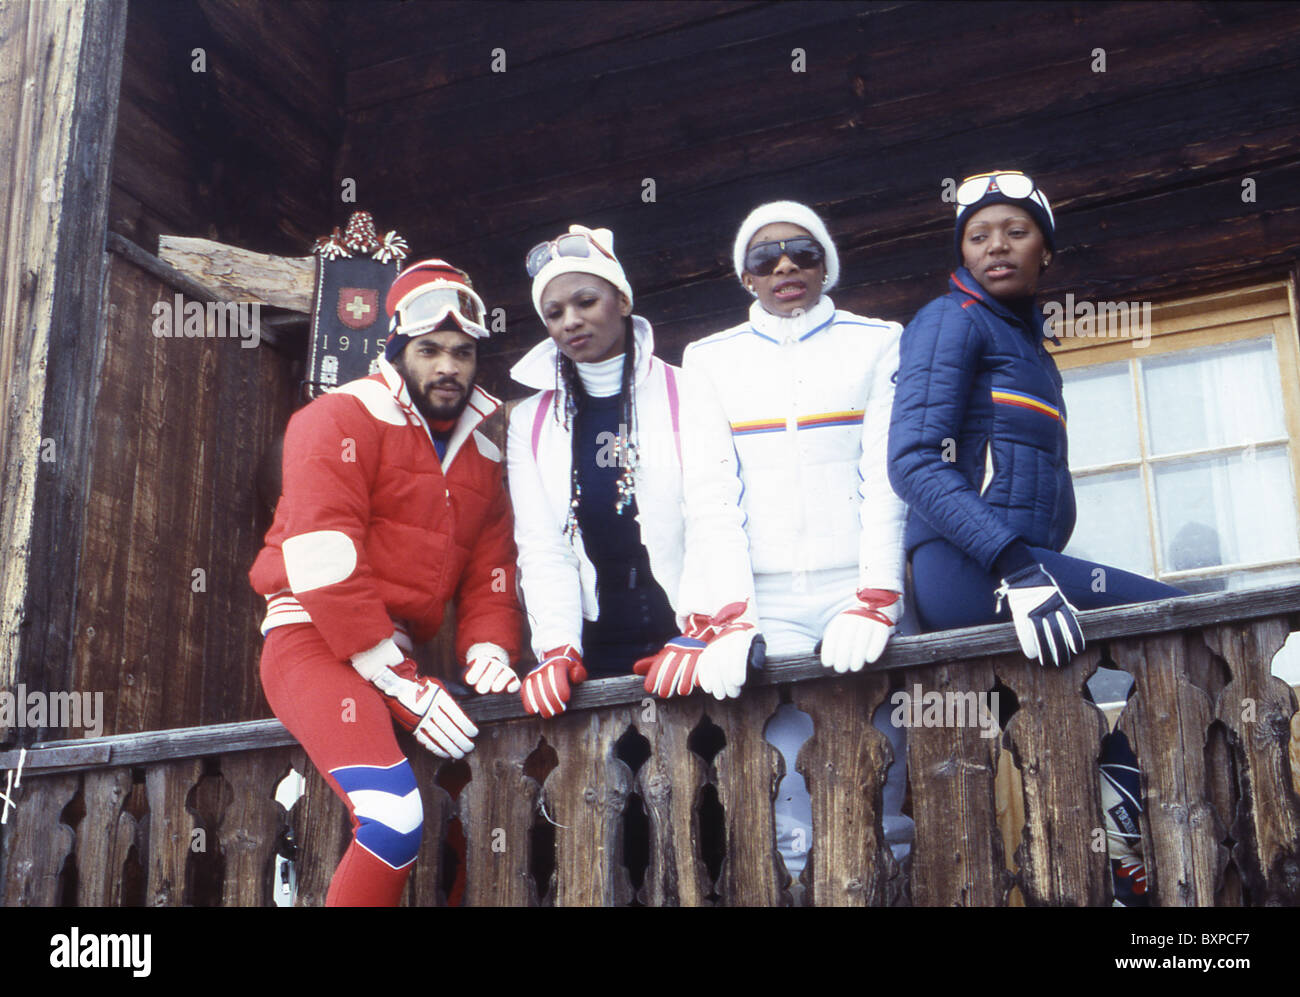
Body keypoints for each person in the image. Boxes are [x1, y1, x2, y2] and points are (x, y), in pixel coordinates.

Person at [887, 170, 1184, 905]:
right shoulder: (949, 319)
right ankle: (1124, 872)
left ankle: (1123, 873)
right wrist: (1017, 568)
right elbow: (914, 460)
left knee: (1108, 694)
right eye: (978, 235)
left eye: (1016, 231)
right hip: (972, 570)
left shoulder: (1030, 347)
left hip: (1021, 570)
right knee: (1173, 616)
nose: (997, 246)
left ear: (1045, 250)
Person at [249, 258, 523, 906]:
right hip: (311, 637)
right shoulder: (338, 417)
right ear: (398, 349)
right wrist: (401, 683)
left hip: (397, 656)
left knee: (465, 817)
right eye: (430, 350)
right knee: (394, 818)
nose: (448, 366)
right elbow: (322, 556)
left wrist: (488, 650)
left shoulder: (485, 453)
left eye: (462, 351)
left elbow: (491, 570)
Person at [665, 201, 912, 881]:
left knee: (882, 794)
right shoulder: (708, 359)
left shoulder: (878, 338)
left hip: (855, 593)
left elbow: (886, 476)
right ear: (743, 276)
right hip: (766, 605)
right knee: (790, 812)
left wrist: (878, 596)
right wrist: (730, 614)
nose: (784, 265)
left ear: (826, 262)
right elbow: (710, 495)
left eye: (802, 251)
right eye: (763, 256)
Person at [508, 224, 694, 717]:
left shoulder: (687, 391)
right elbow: (543, 547)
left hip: (688, 642)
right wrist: (556, 648)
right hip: (596, 657)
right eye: (554, 313)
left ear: (624, 301)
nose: (570, 321)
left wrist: (709, 630)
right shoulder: (531, 421)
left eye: (585, 301)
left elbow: (715, 517)